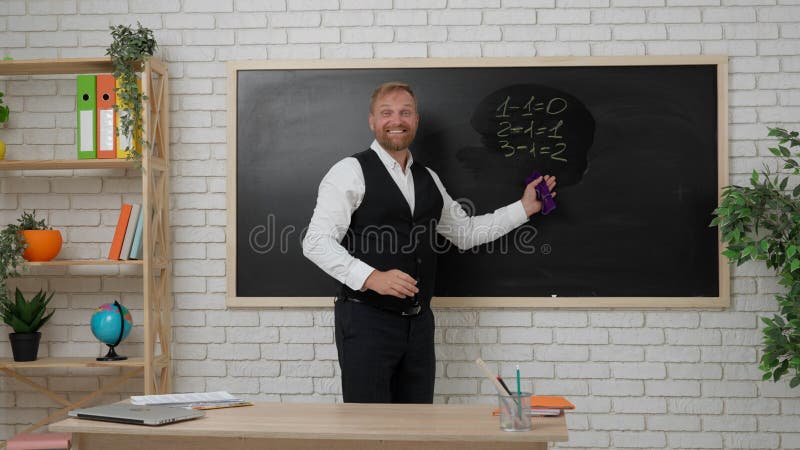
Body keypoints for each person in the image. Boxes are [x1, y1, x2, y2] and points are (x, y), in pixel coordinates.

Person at [302, 82, 556, 404]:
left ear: (416, 121)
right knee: (368, 429)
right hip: (366, 322)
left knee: (418, 427)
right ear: (372, 121)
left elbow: (465, 233)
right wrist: (371, 277)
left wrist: (524, 208)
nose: (397, 120)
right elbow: (315, 242)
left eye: (405, 112)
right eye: (387, 113)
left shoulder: (429, 178)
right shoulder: (350, 172)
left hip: (420, 325)